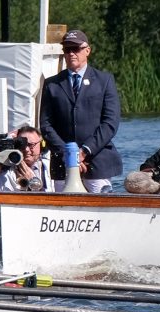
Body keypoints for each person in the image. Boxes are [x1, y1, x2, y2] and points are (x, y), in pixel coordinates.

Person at [40, 29, 123, 193]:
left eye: (75, 49)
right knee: (62, 210)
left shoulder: (104, 81)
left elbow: (110, 123)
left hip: (97, 161)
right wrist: (68, 154)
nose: (71, 53)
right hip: (62, 161)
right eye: (67, 50)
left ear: (87, 50)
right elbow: (46, 124)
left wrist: (84, 151)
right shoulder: (52, 84)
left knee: (101, 209)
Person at [0, 126, 54, 193]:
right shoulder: (5, 170)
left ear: (41, 145)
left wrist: (32, 183)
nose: (26, 149)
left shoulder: (49, 166)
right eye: (22, 145)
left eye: (31, 145)